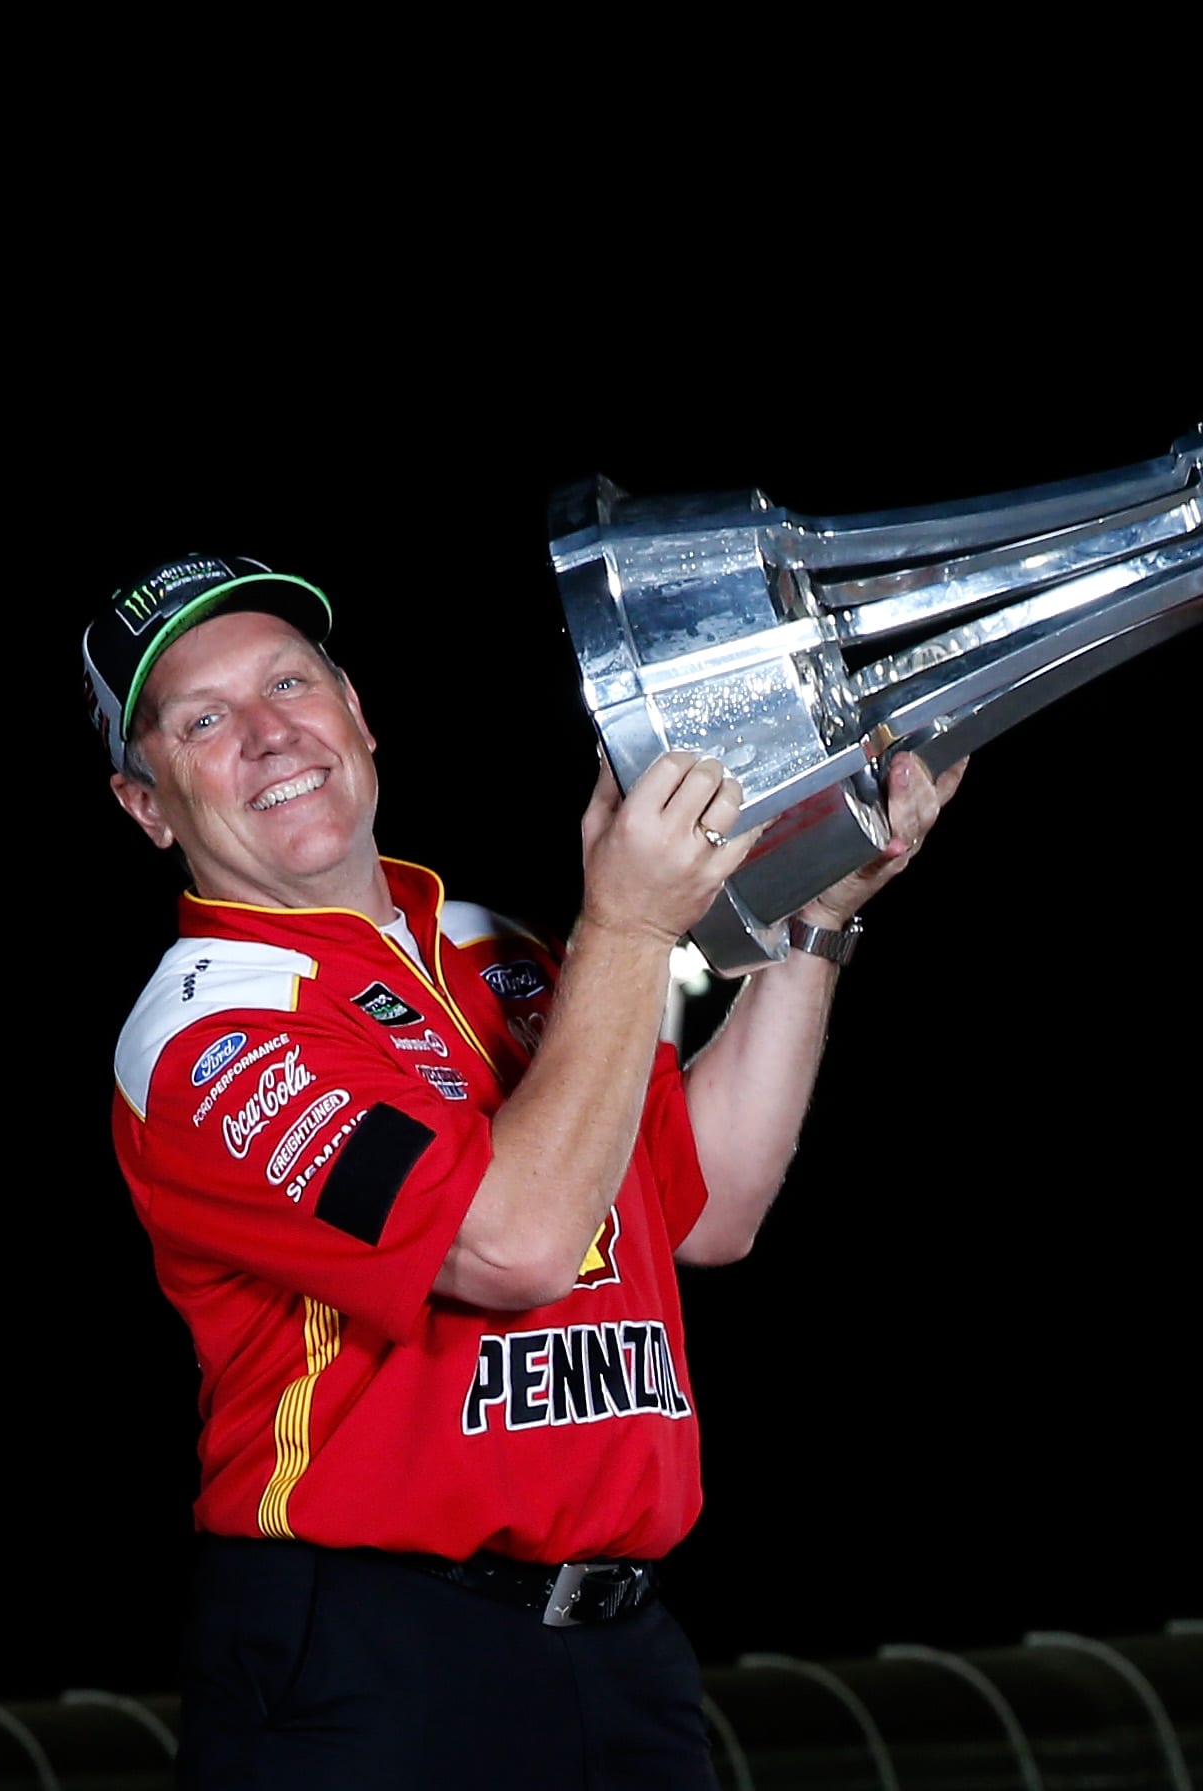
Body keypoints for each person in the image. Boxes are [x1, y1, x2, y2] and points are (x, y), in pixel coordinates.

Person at [87, 554, 962, 1789]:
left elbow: (709, 1203)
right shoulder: (207, 1035)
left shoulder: (495, 946)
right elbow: (516, 1246)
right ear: (149, 805)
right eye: (204, 720)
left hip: (620, 1648)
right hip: (373, 1656)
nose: (271, 734)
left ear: (359, 717)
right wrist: (628, 928)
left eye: (292, 682)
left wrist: (813, 920)